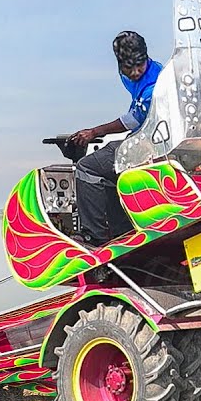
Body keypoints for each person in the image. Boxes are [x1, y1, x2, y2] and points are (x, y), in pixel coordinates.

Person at [70, 30, 163, 245]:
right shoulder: (130, 74)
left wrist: (94, 132)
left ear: (146, 57)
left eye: (139, 66)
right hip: (147, 136)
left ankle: (94, 237)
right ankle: (123, 230)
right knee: (110, 167)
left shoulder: (154, 87)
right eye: (129, 68)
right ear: (120, 64)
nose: (135, 72)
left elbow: (131, 120)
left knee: (87, 167)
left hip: (150, 143)